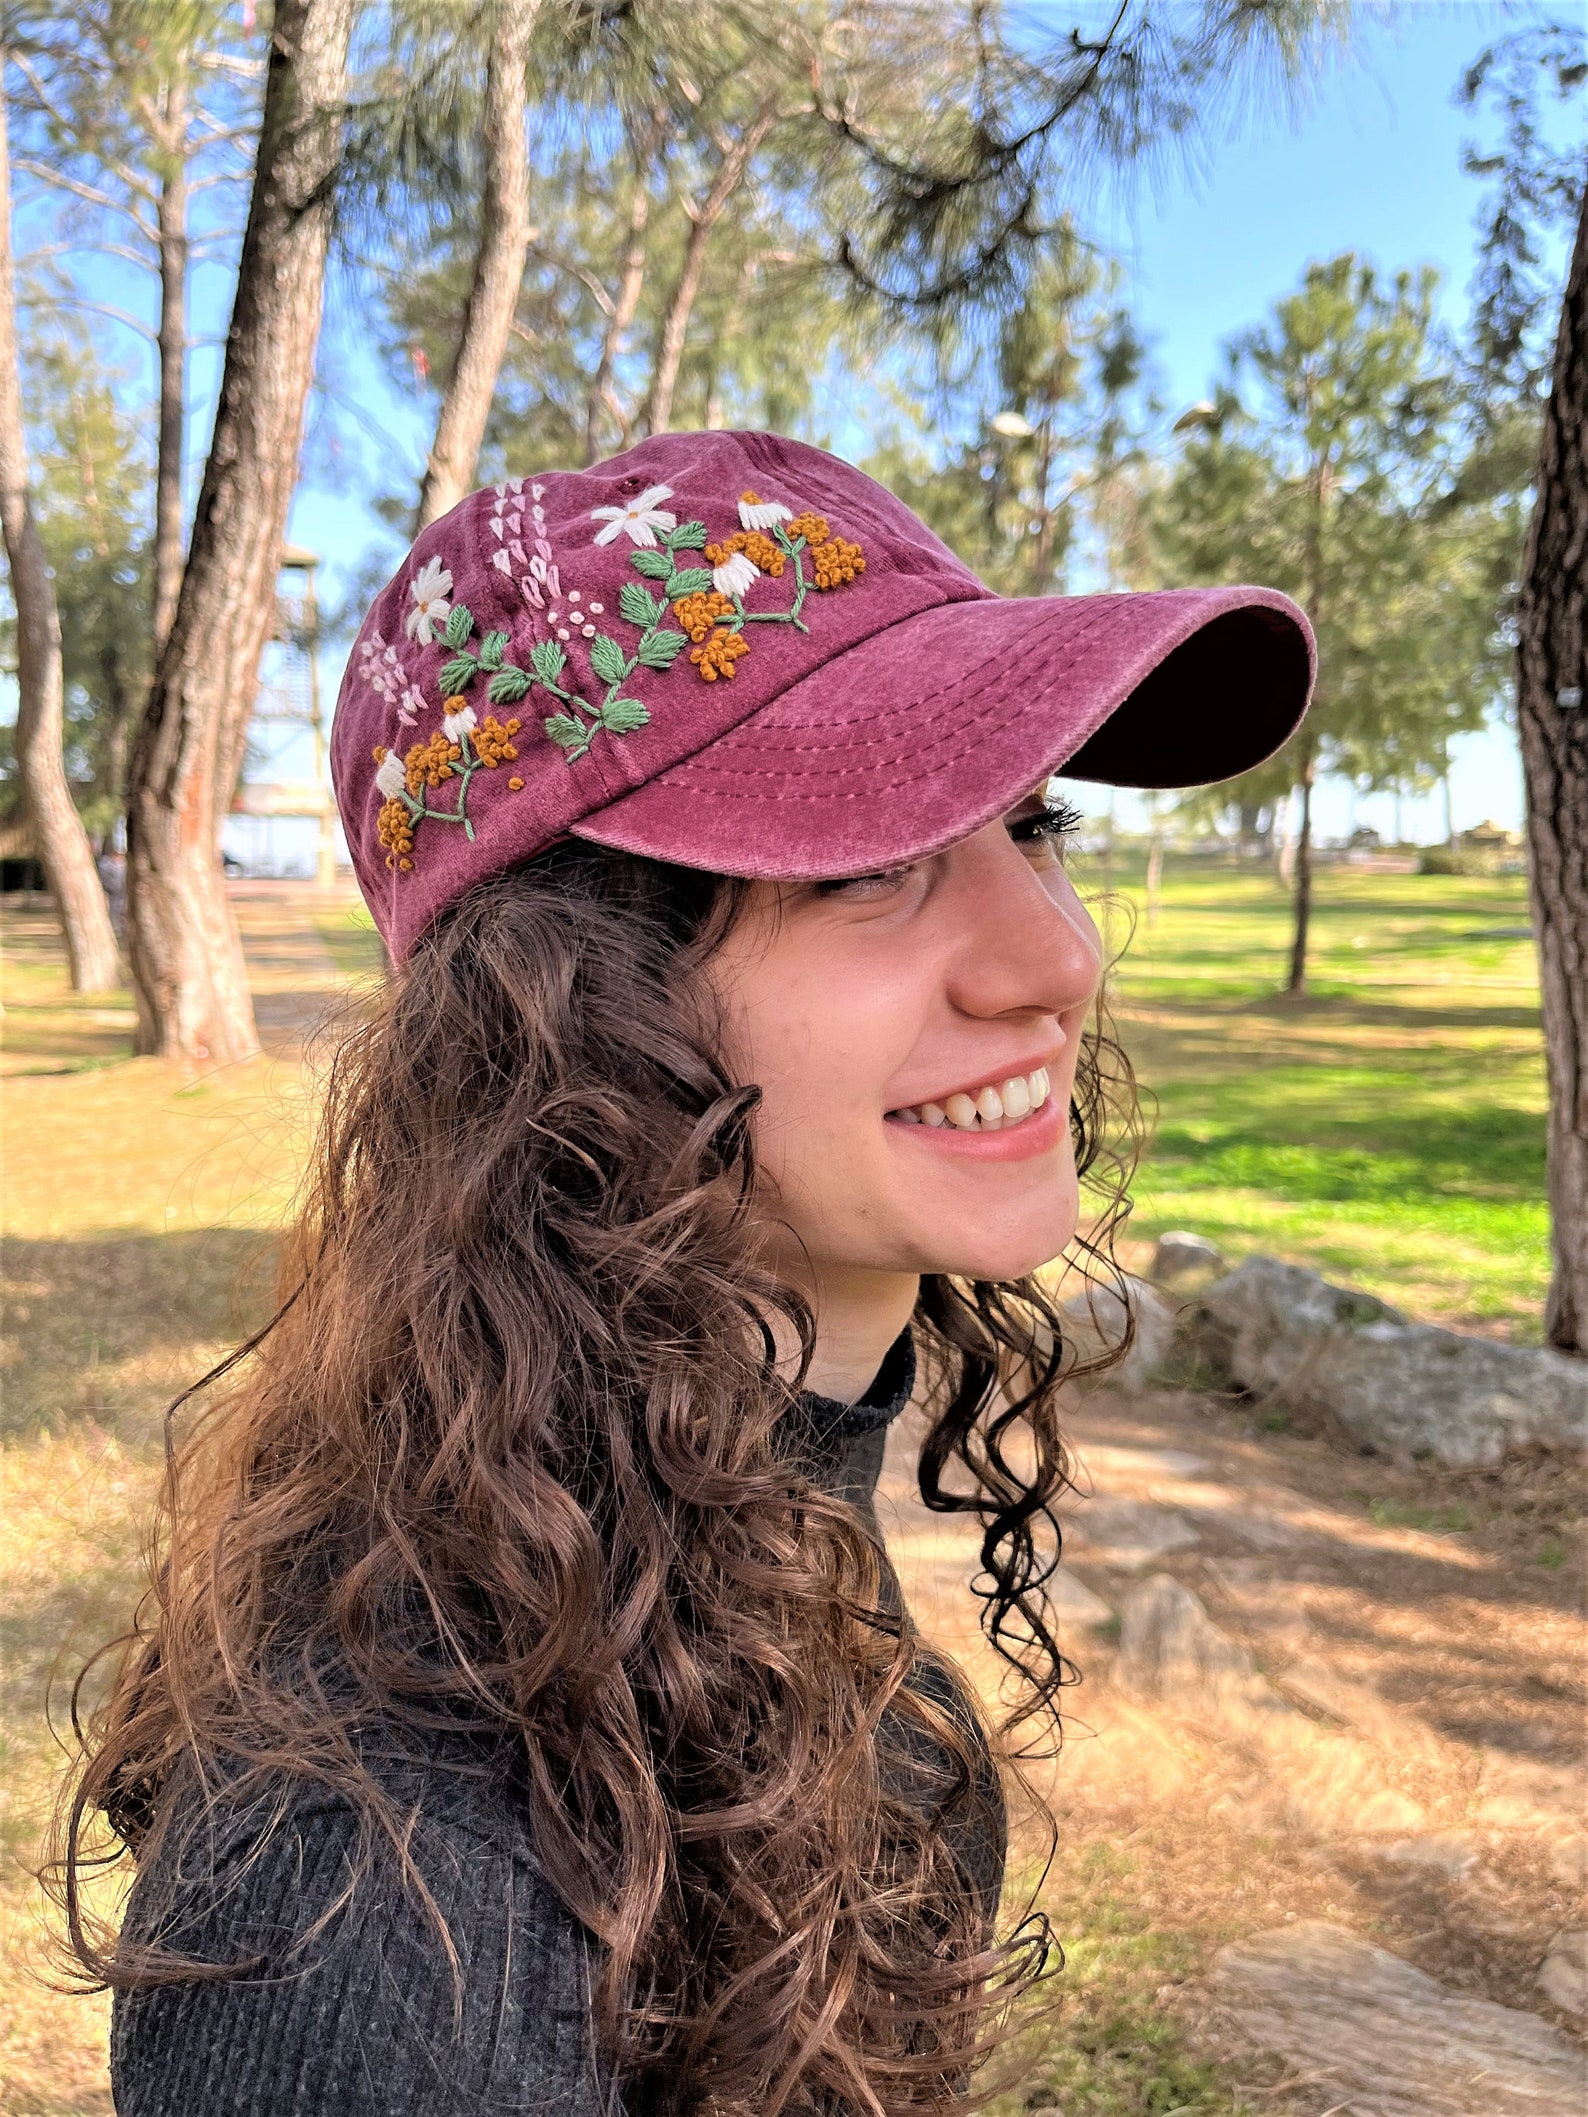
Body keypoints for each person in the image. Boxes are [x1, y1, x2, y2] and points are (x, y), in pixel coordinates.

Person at [60, 433, 1311, 2116]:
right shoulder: (393, 1891)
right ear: (567, 1011)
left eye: (1033, 819)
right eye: (873, 856)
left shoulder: (759, 1597)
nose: (1059, 956)